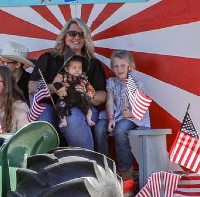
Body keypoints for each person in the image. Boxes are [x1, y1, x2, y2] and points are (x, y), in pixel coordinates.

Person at [31, 20, 108, 150]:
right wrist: (55, 87)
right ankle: (42, 164)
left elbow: (102, 96)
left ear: (85, 39)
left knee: (72, 117)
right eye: (72, 33)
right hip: (51, 105)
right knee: (44, 122)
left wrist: (87, 94)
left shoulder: (93, 63)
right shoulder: (49, 58)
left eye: (81, 34)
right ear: (64, 35)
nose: (76, 37)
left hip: (82, 107)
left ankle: (86, 162)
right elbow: (31, 87)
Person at [96, 50, 151, 181]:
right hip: (114, 114)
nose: (119, 69)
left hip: (132, 116)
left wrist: (131, 113)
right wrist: (110, 119)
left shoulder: (136, 84)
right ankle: (103, 167)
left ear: (130, 66)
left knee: (120, 131)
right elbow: (109, 101)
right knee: (98, 129)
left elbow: (142, 108)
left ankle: (126, 169)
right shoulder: (111, 82)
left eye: (122, 65)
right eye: (116, 66)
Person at [52, 55, 97, 128]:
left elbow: (89, 87)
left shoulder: (83, 78)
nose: (77, 70)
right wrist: (61, 85)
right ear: (67, 69)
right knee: (61, 106)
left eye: (80, 68)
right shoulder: (62, 76)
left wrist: (89, 92)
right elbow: (55, 84)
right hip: (67, 98)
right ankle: (64, 121)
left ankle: (89, 119)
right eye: (74, 68)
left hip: (79, 98)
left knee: (88, 107)